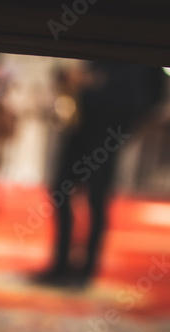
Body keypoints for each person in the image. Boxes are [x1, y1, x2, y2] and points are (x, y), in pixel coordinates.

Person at [37, 61, 167, 287]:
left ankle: (86, 270)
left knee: (97, 197)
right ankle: (60, 262)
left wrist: (99, 83)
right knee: (61, 189)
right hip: (82, 121)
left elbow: (149, 92)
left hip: (109, 126)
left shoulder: (141, 43)